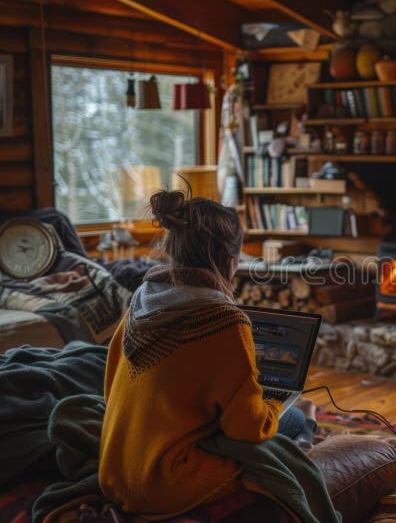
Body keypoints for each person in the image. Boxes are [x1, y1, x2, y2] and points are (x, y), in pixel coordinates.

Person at [98, 189, 316, 519]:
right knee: (297, 418)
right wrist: (275, 404)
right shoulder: (223, 319)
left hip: (113, 474)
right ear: (230, 259)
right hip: (163, 486)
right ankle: (307, 440)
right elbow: (247, 429)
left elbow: (110, 383)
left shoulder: (143, 298)